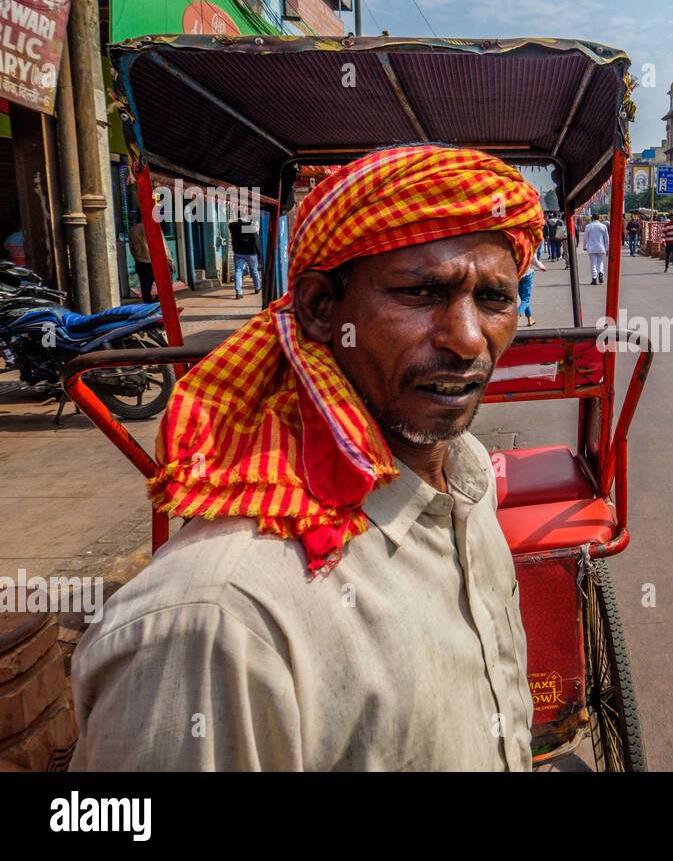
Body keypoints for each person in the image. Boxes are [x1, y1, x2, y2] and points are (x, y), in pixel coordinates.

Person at [71, 145, 540, 771]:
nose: (467, 337)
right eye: (422, 292)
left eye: (494, 299)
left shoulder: (467, 473)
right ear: (323, 309)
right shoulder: (218, 621)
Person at [128, 218, 174, 303]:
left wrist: (137, 258)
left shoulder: (133, 230)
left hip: (141, 262)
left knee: (145, 287)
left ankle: (148, 305)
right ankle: (159, 303)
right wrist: (169, 261)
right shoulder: (154, 227)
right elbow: (163, 246)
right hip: (156, 262)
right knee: (165, 285)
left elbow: (131, 248)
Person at [229, 217, 262, 300]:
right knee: (254, 270)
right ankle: (257, 287)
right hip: (251, 253)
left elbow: (232, 226)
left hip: (238, 253)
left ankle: (238, 292)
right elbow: (256, 241)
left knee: (238, 271)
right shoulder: (251, 227)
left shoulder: (233, 226)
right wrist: (260, 254)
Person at [519, 245, 547, 326]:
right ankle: (518, 314)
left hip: (518, 275)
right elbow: (534, 260)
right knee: (525, 299)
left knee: (523, 299)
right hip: (527, 274)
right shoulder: (528, 245)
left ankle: (529, 318)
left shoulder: (515, 244)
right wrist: (541, 267)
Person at [583, 213, 610, 284]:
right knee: (600, 262)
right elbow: (606, 239)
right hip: (601, 247)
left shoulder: (588, 226)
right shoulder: (603, 226)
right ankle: (601, 273)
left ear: (592, 218)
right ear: (599, 218)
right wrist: (607, 249)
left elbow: (585, 238)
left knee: (593, 264)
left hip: (591, 248)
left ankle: (594, 278)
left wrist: (584, 246)